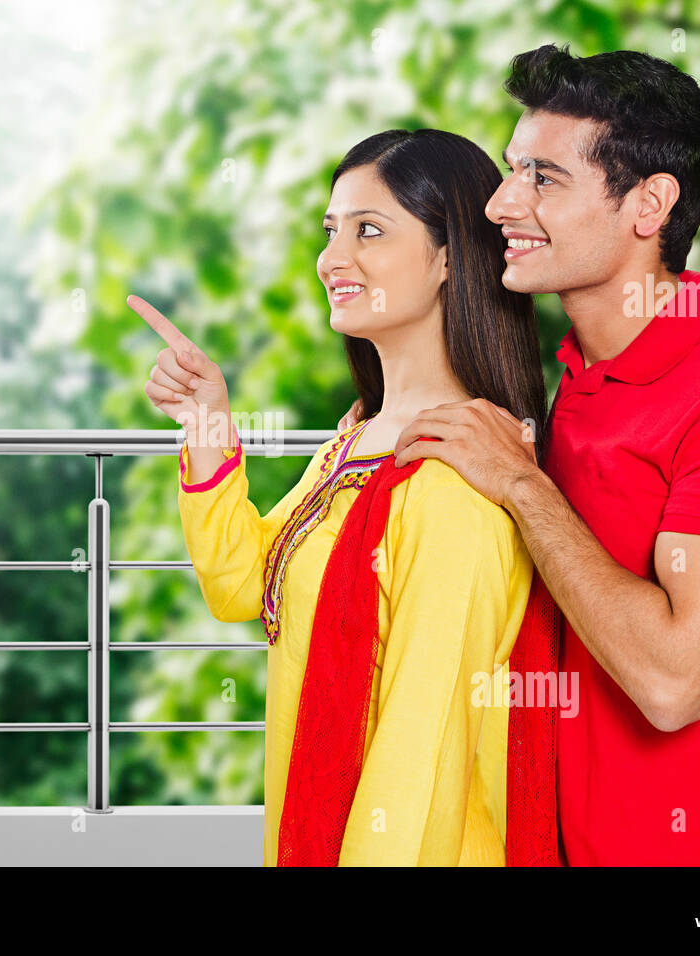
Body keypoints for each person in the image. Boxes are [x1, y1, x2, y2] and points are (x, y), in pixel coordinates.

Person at [341, 45, 700, 865]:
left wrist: (524, 490)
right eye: (509, 170)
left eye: (543, 178)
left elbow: (676, 683)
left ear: (649, 205)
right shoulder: (576, 376)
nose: (501, 203)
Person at [130, 128, 558, 866]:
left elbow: (418, 752)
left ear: (451, 258)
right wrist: (206, 420)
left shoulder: (458, 477)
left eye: (370, 231)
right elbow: (246, 588)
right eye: (331, 231)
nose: (333, 259)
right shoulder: (357, 440)